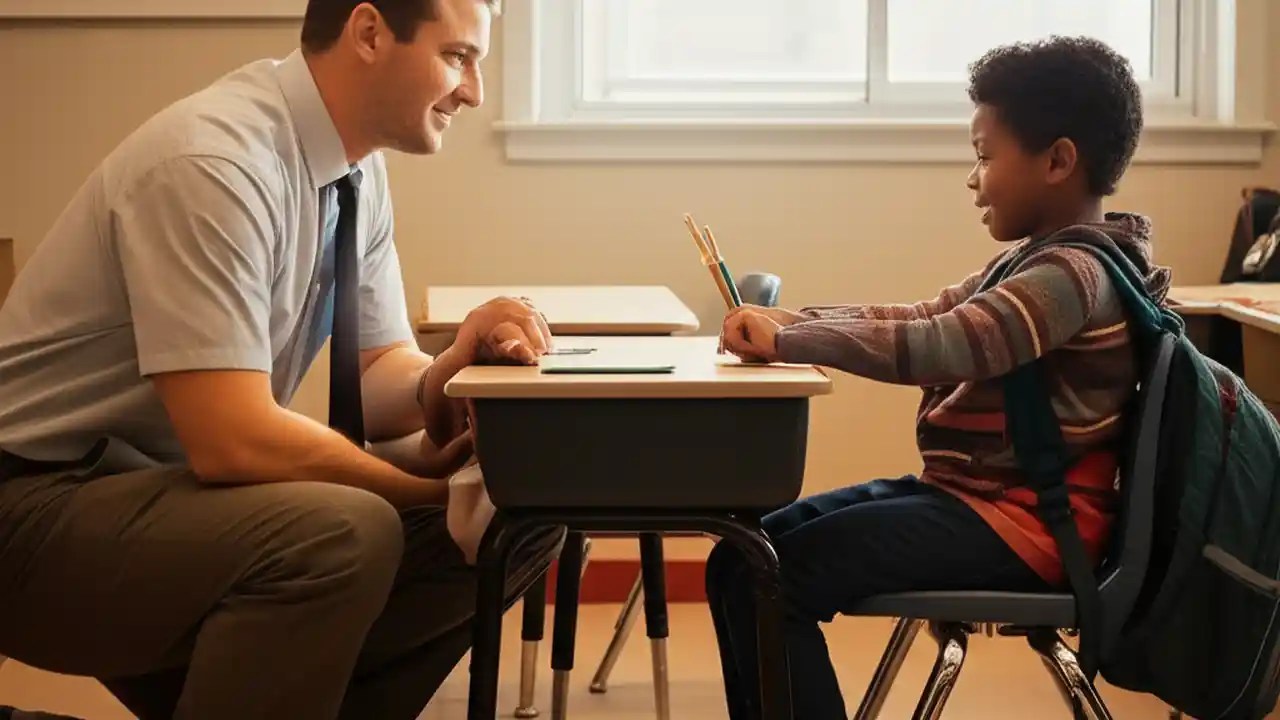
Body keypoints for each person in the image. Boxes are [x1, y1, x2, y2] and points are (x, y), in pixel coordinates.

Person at [0, 1, 563, 719]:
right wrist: (428, 493)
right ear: (369, 33)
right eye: (458, 57)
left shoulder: (355, 171)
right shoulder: (215, 163)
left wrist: (445, 372)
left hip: (149, 490)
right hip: (34, 498)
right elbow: (233, 441)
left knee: (523, 521)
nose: (474, 93)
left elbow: (376, 377)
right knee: (342, 532)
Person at [710, 36, 1172, 719]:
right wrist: (798, 321)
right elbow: (928, 314)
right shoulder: (1039, 260)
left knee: (770, 577)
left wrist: (793, 341)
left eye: (985, 156)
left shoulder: (1073, 275)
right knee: (740, 559)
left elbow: (945, 344)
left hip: (1025, 526)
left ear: (1057, 161)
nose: (972, 178)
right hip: (977, 500)